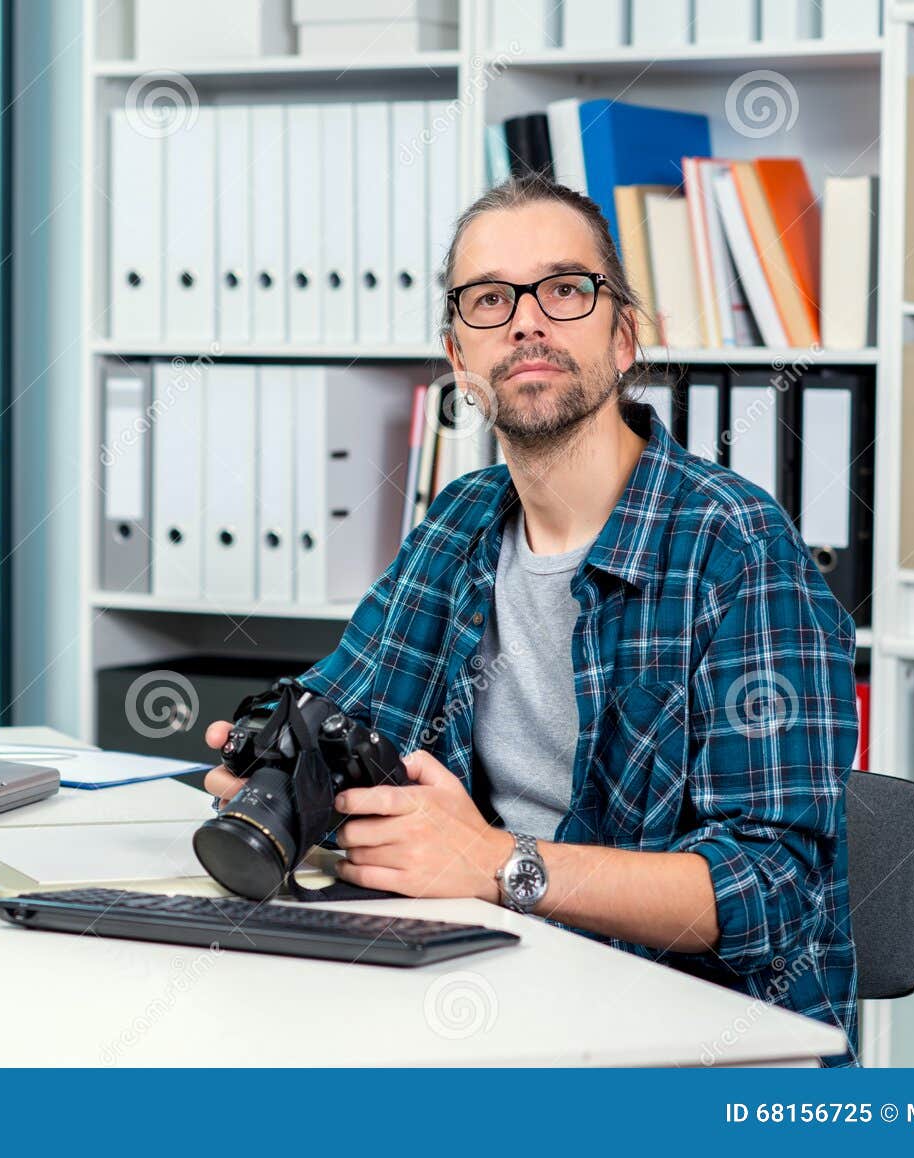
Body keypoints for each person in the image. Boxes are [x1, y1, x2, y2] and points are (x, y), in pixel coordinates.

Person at [203, 174, 859, 1065]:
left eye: (562, 289)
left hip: (694, 1047)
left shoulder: (736, 547)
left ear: (626, 336)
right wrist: (276, 769)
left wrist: (497, 865)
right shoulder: (459, 523)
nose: (524, 322)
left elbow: (774, 889)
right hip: (492, 1001)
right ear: (459, 359)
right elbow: (344, 716)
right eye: (488, 300)